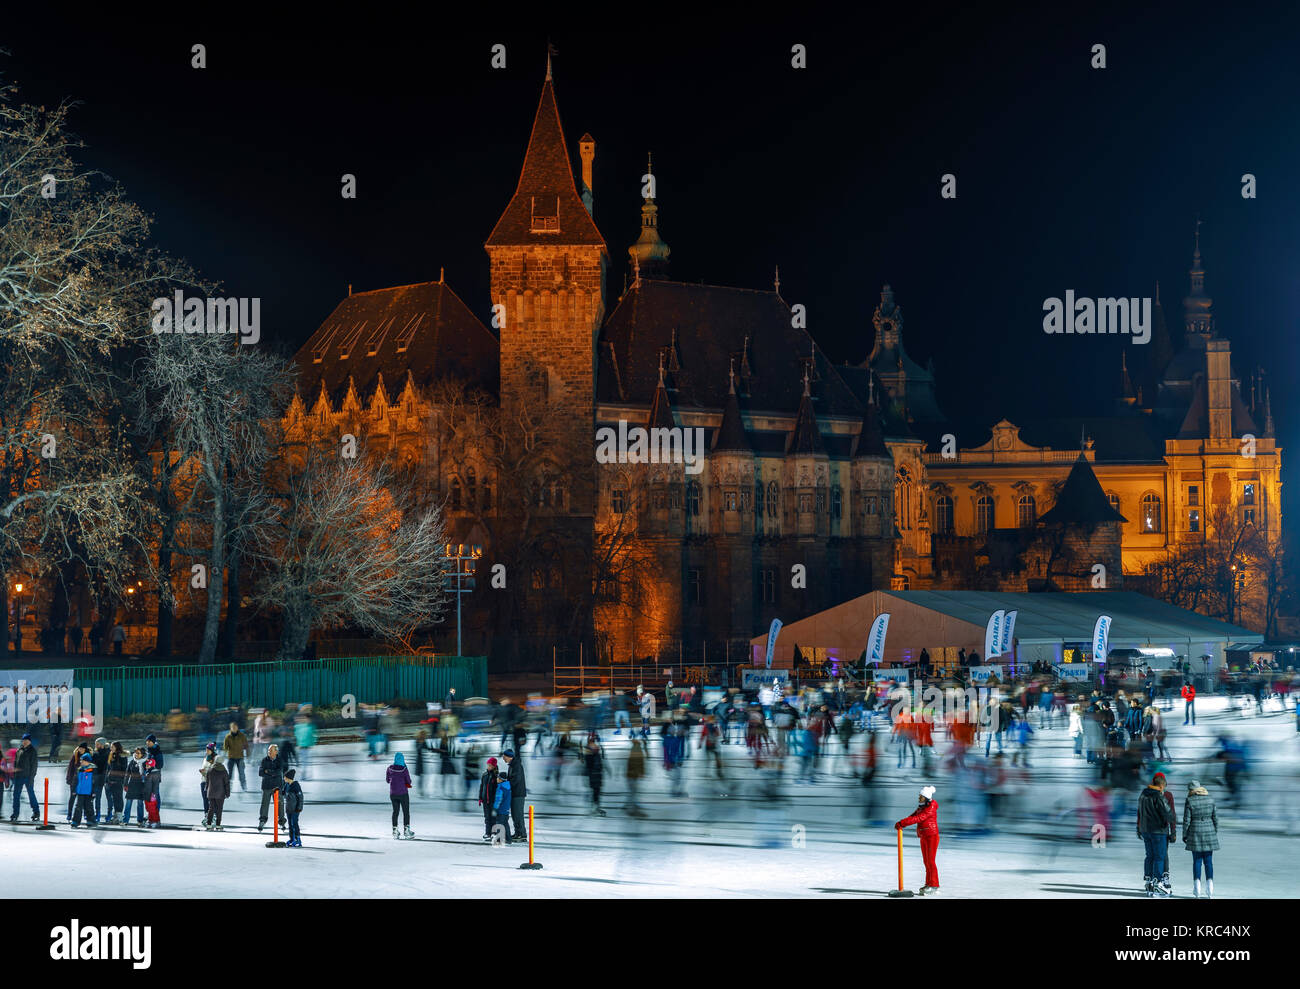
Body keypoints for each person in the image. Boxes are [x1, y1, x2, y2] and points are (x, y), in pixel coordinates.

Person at [896, 785, 940, 894]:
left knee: (930, 861)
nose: (919, 799)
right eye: (919, 796)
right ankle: (928, 884)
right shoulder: (921, 807)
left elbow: (919, 818)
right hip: (924, 835)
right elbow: (913, 816)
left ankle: (934, 885)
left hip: (931, 836)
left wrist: (903, 823)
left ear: (927, 798)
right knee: (926, 862)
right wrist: (902, 822)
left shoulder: (931, 807)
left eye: (921, 797)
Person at [1137, 772, 1175, 896]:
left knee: (1149, 856)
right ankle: (1158, 882)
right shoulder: (1159, 796)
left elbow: (1139, 812)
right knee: (1159, 857)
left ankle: (1148, 881)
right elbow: (1168, 813)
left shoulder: (1143, 794)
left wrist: (1139, 827)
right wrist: (1170, 822)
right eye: (1163, 786)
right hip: (1158, 831)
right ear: (1161, 785)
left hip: (1145, 830)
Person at [1182, 778, 1219, 898]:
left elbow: (1186, 820)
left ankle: (1196, 887)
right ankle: (1210, 888)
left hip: (1195, 832)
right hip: (1209, 831)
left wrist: (1185, 834)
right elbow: (1215, 818)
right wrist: (1214, 831)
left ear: (1191, 790)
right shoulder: (1211, 799)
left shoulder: (1190, 800)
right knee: (1208, 862)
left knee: (1197, 861)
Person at [9, 733, 40, 822]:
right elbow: (15, 763)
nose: (25, 742)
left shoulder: (32, 751)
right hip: (18, 776)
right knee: (16, 795)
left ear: (29, 741)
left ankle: (36, 812)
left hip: (28, 776)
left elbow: (34, 766)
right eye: (24, 740)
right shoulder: (19, 750)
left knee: (31, 794)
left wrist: (31, 777)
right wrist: (14, 776)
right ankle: (15, 813)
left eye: (26, 740)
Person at [258, 743, 287, 833]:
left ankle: (282, 822)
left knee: (280, 805)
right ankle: (262, 820)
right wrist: (271, 772)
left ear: (276, 752)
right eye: (268, 750)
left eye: (271, 750)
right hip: (266, 786)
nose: (269, 752)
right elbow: (260, 773)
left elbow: (279, 772)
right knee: (264, 805)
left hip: (277, 786)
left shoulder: (280, 760)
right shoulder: (264, 760)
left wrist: (268, 771)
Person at [387, 750, 414, 838]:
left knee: (395, 812)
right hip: (403, 794)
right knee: (406, 812)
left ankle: (395, 831)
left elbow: (388, 780)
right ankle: (406, 831)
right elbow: (409, 781)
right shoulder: (404, 769)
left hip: (393, 794)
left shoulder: (389, 768)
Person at [502, 748, 527, 842]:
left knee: (518, 814)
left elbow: (515, 780)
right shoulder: (512, 765)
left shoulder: (516, 766)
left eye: (504, 757)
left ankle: (522, 834)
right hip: (515, 793)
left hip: (518, 794)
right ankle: (518, 833)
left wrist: (505, 785)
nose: (503, 758)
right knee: (515, 814)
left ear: (509, 757)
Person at [64, 742, 89, 821]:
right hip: (75, 780)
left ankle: (85, 814)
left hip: (84, 781)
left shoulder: (88, 757)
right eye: (79, 748)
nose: (80, 750)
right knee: (72, 797)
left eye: (82, 748)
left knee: (84, 798)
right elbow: (70, 768)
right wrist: (69, 779)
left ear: (85, 749)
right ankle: (69, 814)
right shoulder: (75, 756)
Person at [205, 755, 231, 830]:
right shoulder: (224, 771)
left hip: (211, 793)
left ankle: (209, 824)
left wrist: (207, 790)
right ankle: (218, 825)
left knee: (211, 808)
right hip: (220, 793)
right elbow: (227, 783)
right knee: (219, 809)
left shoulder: (210, 770)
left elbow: (207, 781)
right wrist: (227, 793)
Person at [70, 753, 97, 827]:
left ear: (87, 761)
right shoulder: (80, 769)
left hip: (89, 792)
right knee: (78, 807)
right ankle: (75, 821)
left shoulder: (93, 770)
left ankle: (91, 820)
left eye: (82, 760)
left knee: (89, 807)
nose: (80, 762)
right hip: (80, 791)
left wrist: (94, 791)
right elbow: (76, 780)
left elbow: (95, 782)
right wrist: (74, 790)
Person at [222, 721, 249, 791]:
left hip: (240, 757)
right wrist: (223, 756)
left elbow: (246, 745)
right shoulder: (228, 737)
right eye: (232, 727)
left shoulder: (242, 735)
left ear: (237, 727)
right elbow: (225, 747)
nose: (234, 728)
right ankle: (228, 787)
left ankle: (244, 786)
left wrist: (248, 755)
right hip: (231, 757)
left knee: (241, 774)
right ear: (230, 728)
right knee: (230, 774)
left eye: (235, 727)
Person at [123, 748, 147, 826]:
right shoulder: (132, 762)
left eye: (138, 753)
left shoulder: (145, 762)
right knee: (128, 803)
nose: (136, 754)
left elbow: (148, 774)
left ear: (142, 754)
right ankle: (125, 820)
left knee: (140, 803)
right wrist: (125, 784)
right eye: (135, 753)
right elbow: (127, 773)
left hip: (141, 785)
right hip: (132, 784)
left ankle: (140, 821)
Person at [477, 756, 500, 841]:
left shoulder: (496, 776)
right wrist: (480, 798)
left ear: (494, 766)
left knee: (493, 817)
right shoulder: (485, 775)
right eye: (488, 765)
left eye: (490, 765)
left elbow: (498, 789)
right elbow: (482, 787)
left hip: (493, 801)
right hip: (485, 801)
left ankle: (494, 833)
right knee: (487, 818)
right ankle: (488, 833)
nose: (488, 767)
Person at [583, 733, 606, 816]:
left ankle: (595, 807)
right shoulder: (590, 752)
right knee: (595, 792)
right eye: (593, 741)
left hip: (596, 774)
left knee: (596, 792)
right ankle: (594, 808)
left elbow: (599, 762)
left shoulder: (592, 751)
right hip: (594, 774)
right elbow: (590, 765)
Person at [105, 741, 127, 824]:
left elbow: (124, 770)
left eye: (112, 747)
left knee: (118, 799)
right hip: (110, 780)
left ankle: (119, 816)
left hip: (118, 781)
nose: (111, 748)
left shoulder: (122, 756)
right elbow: (108, 768)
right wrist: (106, 780)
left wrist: (120, 779)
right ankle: (115, 817)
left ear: (117, 747)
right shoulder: (111, 755)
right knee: (113, 799)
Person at [281, 768, 303, 847]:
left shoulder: (296, 786)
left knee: (294, 824)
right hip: (289, 809)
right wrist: (278, 791)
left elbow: (300, 797)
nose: (284, 779)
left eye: (285, 777)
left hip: (295, 809)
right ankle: (292, 838)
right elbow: (283, 793)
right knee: (290, 824)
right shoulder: (287, 785)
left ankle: (298, 839)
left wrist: (299, 807)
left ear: (288, 778)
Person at [90, 737, 110, 822]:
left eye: (97, 744)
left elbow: (109, 766)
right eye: (96, 744)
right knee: (97, 797)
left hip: (106, 778)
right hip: (98, 778)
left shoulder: (109, 753)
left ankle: (109, 814)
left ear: (102, 744)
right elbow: (93, 766)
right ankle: (97, 814)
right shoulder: (95, 754)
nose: (96, 746)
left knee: (109, 797)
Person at [491, 769, 513, 844]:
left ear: (501, 779)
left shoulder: (500, 788)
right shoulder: (509, 787)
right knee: (505, 824)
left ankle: (498, 840)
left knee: (499, 824)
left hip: (500, 810)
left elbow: (498, 799)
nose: (497, 779)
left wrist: (495, 808)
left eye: (498, 778)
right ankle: (508, 839)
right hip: (506, 809)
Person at [199, 741, 217, 818]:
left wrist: (205, 772)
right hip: (203, 781)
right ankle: (206, 815)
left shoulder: (215, 759)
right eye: (206, 749)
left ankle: (214, 815)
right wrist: (202, 771)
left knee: (212, 800)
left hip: (211, 782)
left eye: (208, 749)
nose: (206, 751)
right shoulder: (205, 758)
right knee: (205, 800)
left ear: (212, 750)